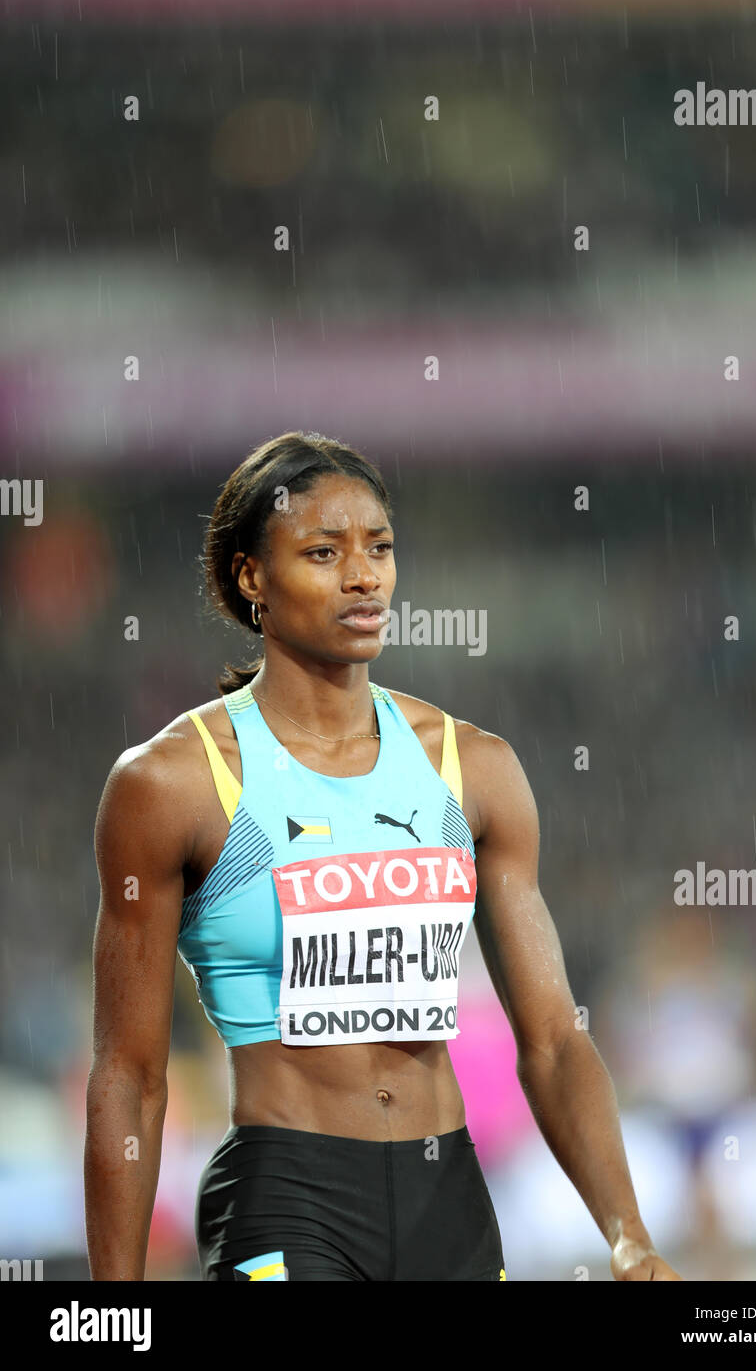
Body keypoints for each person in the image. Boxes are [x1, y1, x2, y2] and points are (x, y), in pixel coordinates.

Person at [84, 429, 681, 1282]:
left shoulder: (473, 769)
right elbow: (130, 1075)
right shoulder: (174, 783)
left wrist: (628, 1235)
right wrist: (114, 1305)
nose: (363, 577)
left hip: (451, 1200)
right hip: (287, 1194)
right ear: (252, 577)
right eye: (323, 552)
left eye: (380, 548)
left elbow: (553, 1038)